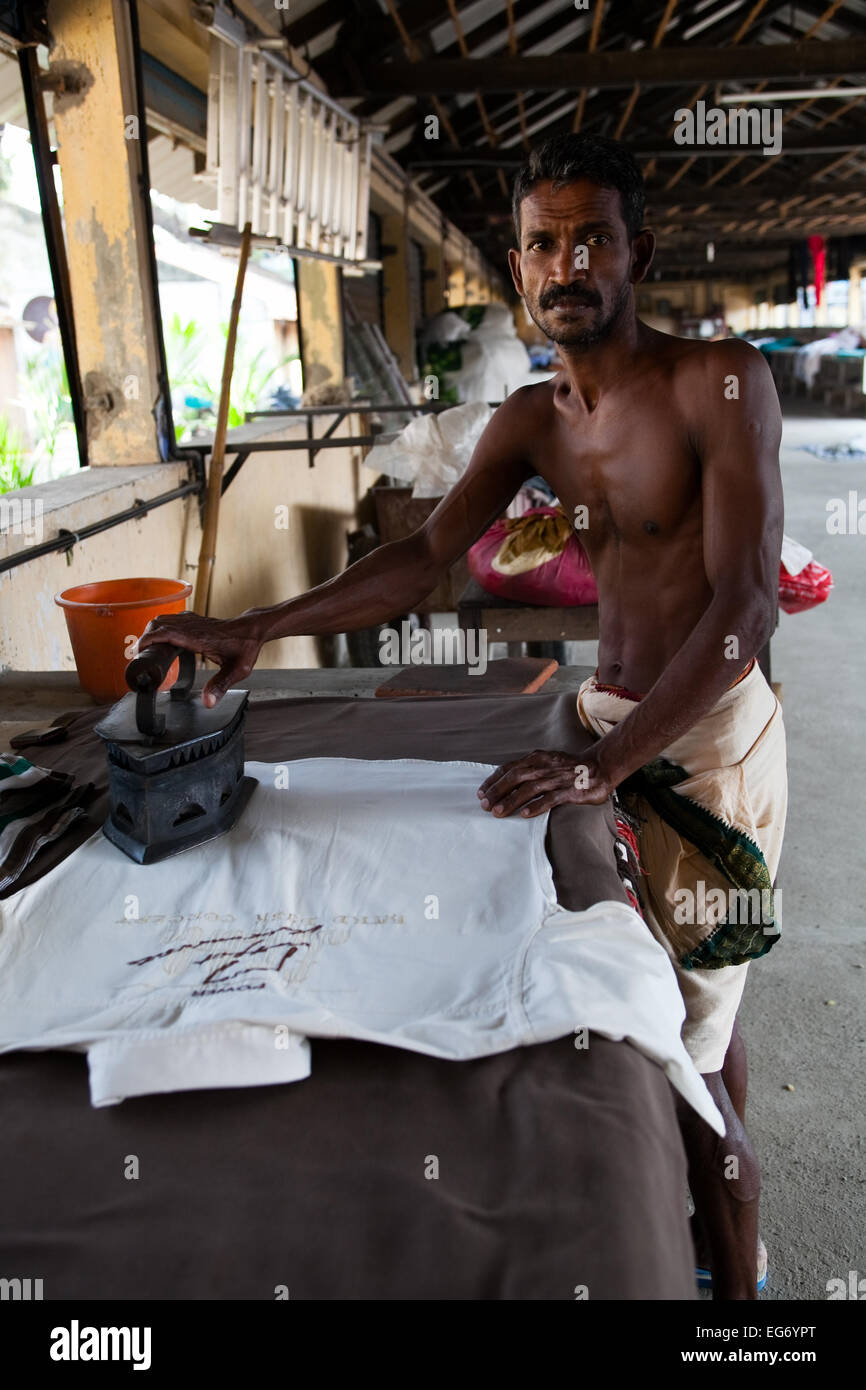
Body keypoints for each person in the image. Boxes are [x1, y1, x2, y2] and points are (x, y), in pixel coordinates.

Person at [141, 133, 787, 1301]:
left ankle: (739, 1301)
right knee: (675, 993)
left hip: (706, 744)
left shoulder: (720, 382)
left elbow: (743, 613)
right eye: (542, 243)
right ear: (515, 265)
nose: (566, 262)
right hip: (604, 716)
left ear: (636, 252)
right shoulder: (533, 422)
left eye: (592, 237)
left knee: (685, 1043)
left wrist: (601, 768)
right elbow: (423, 559)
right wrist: (254, 625)